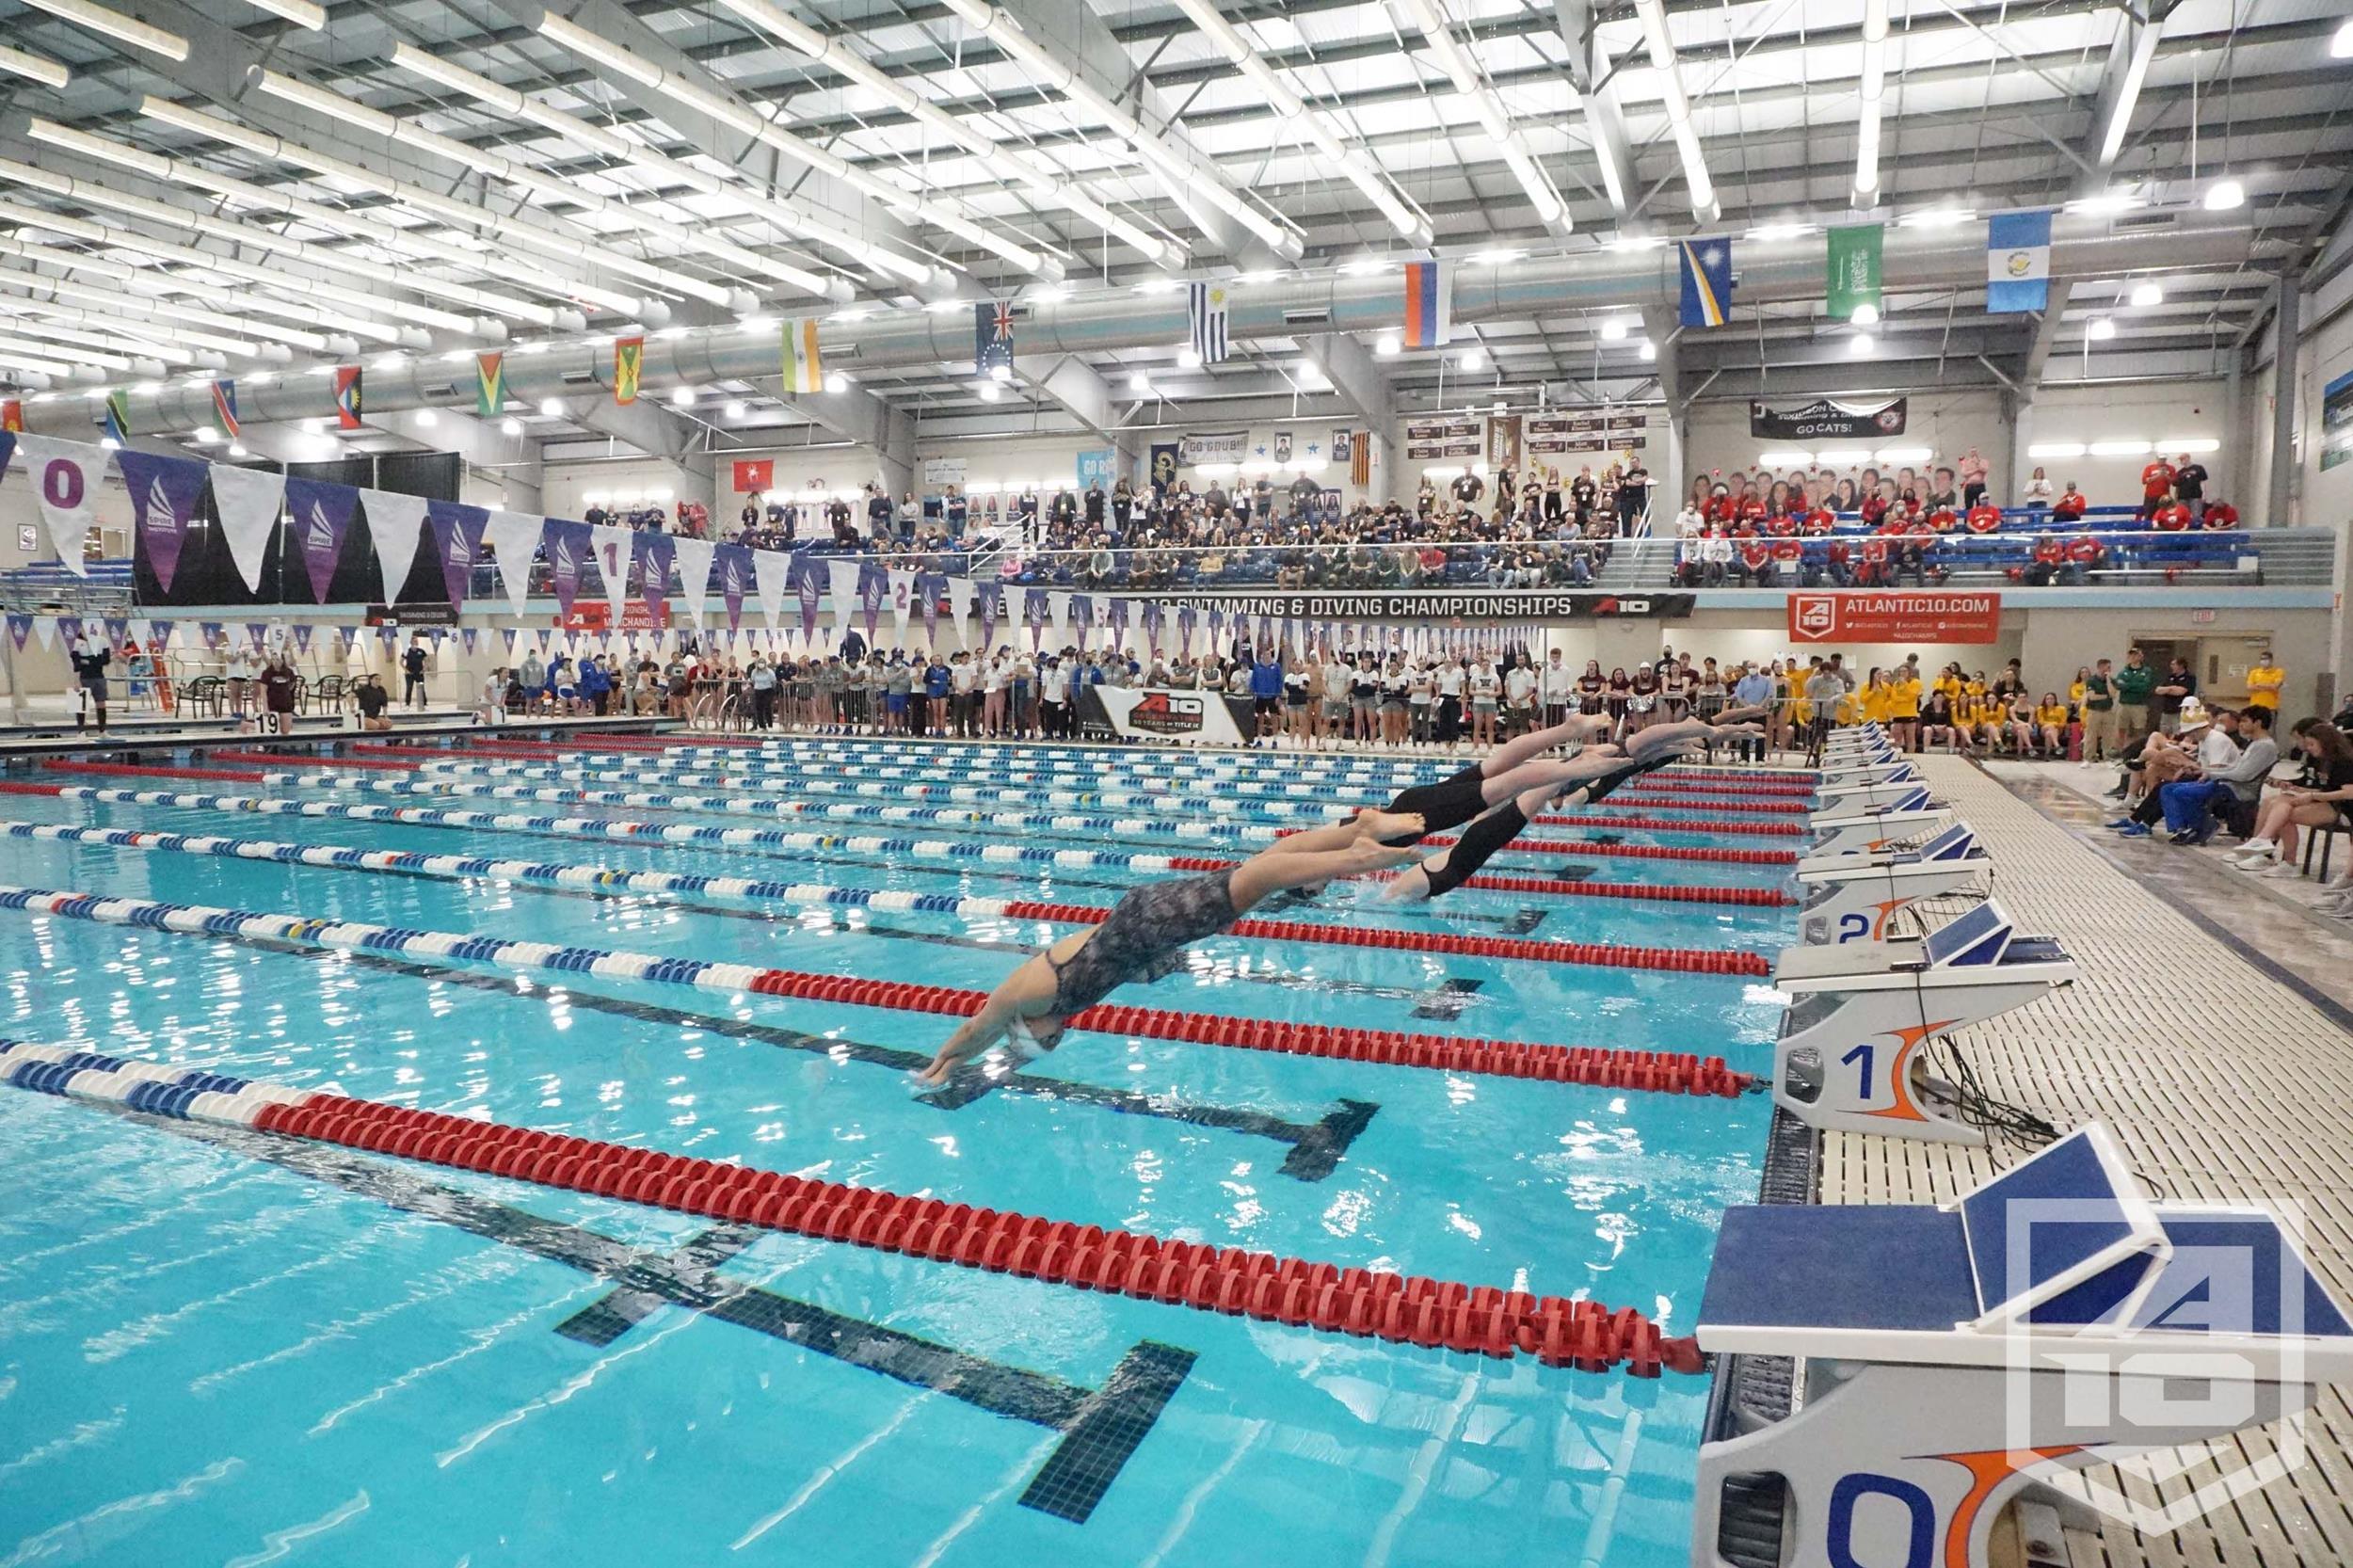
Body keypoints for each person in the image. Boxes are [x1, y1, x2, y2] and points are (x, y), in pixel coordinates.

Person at [912, 809, 1430, 1084]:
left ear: (1030, 1025)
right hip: (1151, 925)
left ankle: (1355, 856)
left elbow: (975, 1028)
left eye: (1042, 1041)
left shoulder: (1034, 991)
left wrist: (945, 1064)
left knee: (1255, 881)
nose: (1053, 1040)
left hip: (1150, 922)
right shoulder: (1062, 1006)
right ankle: (1354, 831)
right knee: (1255, 872)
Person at [1379, 714, 1757, 903]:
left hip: (1447, 857)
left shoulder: (1392, 883)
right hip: (1436, 846)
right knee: (1499, 775)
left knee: (1525, 781)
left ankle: (1575, 749)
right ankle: (1579, 746)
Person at [2230, 720, 2353, 876]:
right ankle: (2262, 843)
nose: (2308, 748)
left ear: (2324, 743)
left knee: (2284, 814)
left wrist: (2313, 796)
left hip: (2343, 809)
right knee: (2280, 801)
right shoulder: (2321, 761)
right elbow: (2321, 786)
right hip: (2326, 802)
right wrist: (2296, 788)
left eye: (2311, 744)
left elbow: (2349, 793)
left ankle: (2277, 853)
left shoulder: (2344, 762)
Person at [2159, 705, 2276, 845]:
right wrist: (2206, 771)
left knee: (2182, 792)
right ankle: (2182, 828)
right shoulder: (2255, 743)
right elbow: (2238, 768)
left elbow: (2243, 775)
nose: (2241, 725)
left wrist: (2211, 773)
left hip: (2237, 789)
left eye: (2245, 721)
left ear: (2258, 723)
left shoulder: (2265, 746)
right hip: (2227, 783)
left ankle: (2201, 827)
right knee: (2167, 789)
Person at [2079, 658, 2121, 763]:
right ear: (2100, 667)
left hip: (2107, 711)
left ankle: (2108, 757)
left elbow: (2113, 694)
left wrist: (2108, 680)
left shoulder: (2111, 680)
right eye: (2108, 667)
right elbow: (2092, 696)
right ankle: (2089, 757)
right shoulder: (2091, 680)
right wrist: (2106, 696)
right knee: (2091, 735)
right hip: (2094, 711)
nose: (2109, 669)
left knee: (2108, 735)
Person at [69, 633, 111, 733]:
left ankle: (102, 731)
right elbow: (76, 663)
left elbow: (106, 660)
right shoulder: (77, 643)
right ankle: (81, 732)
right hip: (83, 678)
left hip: (99, 677)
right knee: (80, 705)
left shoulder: (102, 640)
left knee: (101, 703)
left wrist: (87, 661)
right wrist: (76, 681)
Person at [260, 650, 300, 735]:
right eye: (273, 660)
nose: (275, 662)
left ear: (282, 660)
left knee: (286, 729)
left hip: (285, 703)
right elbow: (263, 691)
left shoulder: (289, 672)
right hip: (272, 704)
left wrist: (285, 692)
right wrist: (265, 707)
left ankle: (282, 747)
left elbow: (292, 685)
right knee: (272, 730)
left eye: (277, 659)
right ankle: (247, 725)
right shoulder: (267, 673)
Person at [2244, 648, 2285, 724]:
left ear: (2271, 660)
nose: (2263, 661)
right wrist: (2268, 686)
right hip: (2255, 706)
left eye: (2266, 659)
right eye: (2262, 659)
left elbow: (2275, 686)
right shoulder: (2254, 672)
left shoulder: (2278, 672)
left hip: (2271, 707)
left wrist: (2259, 685)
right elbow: (2249, 687)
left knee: (2270, 729)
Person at [401, 636, 430, 709]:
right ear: (411, 642)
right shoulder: (406, 651)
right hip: (409, 674)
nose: (416, 642)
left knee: (422, 688)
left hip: (419, 673)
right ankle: (407, 704)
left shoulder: (421, 651)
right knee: (409, 688)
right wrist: (406, 670)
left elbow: (427, 660)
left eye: (417, 641)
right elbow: (400, 662)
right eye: (414, 641)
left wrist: (424, 669)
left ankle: (424, 703)